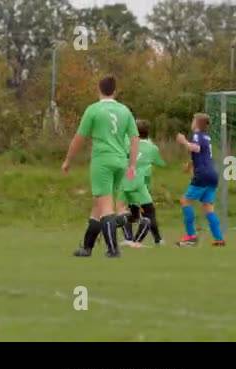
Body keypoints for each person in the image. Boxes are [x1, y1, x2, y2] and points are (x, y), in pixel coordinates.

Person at [62, 76, 139, 258]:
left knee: (105, 206)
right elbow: (135, 139)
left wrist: (68, 160)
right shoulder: (124, 110)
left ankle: (113, 249)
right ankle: (87, 247)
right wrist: (132, 164)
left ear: (98, 89)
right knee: (99, 204)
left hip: (102, 161)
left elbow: (79, 138)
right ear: (115, 91)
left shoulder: (94, 110)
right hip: (120, 161)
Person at [176, 113, 225, 247]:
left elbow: (196, 148)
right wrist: (191, 165)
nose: (192, 122)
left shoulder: (197, 136)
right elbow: (203, 155)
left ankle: (191, 236)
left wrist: (183, 141)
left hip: (202, 175)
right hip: (212, 174)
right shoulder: (206, 137)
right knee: (208, 207)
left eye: (193, 120)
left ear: (197, 123)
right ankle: (219, 238)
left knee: (185, 200)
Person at [118, 119, 166, 247]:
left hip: (126, 182)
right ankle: (154, 240)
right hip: (140, 183)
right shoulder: (152, 148)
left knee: (128, 211)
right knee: (149, 212)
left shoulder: (127, 143)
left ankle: (128, 238)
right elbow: (161, 163)